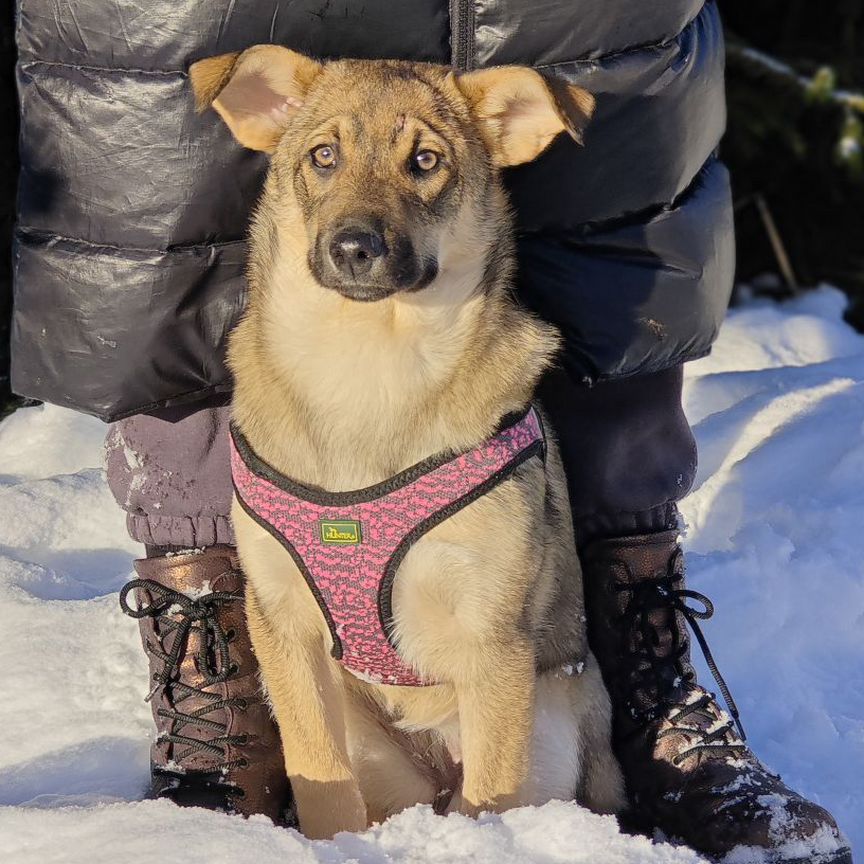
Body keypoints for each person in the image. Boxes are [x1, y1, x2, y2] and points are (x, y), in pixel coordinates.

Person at [12, 2, 851, 862]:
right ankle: (217, 697)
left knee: (618, 207)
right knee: (150, 202)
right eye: (329, 160)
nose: (362, 215)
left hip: (502, 680)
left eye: (419, 165)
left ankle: (639, 683)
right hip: (358, 696)